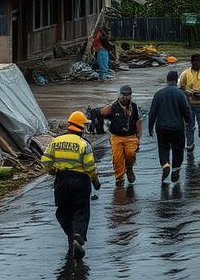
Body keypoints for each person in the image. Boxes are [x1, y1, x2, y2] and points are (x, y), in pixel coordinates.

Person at [40, 112, 101, 258]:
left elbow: (45, 161)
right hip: (81, 181)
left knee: (63, 212)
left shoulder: (56, 141)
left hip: (62, 181)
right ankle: (77, 236)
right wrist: (96, 182)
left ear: (69, 125)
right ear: (81, 127)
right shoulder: (84, 144)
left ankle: (72, 238)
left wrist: (53, 171)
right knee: (80, 212)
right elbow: (90, 167)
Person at [149, 70, 195, 182]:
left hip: (161, 127)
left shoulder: (158, 94)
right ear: (176, 80)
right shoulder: (181, 94)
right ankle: (175, 171)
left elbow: (152, 112)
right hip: (177, 127)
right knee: (178, 149)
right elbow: (186, 110)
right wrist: (189, 122)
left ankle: (165, 165)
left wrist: (150, 127)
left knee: (163, 147)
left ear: (167, 80)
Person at [100, 86, 142, 187]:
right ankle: (119, 179)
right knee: (117, 158)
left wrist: (138, 137)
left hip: (131, 136)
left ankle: (129, 168)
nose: (126, 98)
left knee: (130, 154)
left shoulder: (134, 107)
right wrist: (110, 105)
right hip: (116, 137)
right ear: (120, 95)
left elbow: (138, 122)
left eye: (128, 96)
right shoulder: (114, 106)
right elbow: (102, 113)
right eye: (124, 95)